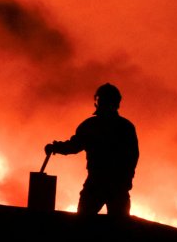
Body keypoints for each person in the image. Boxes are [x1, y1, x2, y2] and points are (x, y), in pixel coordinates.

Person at [44, 82, 139, 216]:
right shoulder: (125, 127)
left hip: (98, 183)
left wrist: (55, 147)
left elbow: (74, 146)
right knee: (118, 225)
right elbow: (132, 156)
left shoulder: (91, 126)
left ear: (97, 102)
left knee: (84, 221)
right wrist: (127, 179)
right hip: (116, 185)